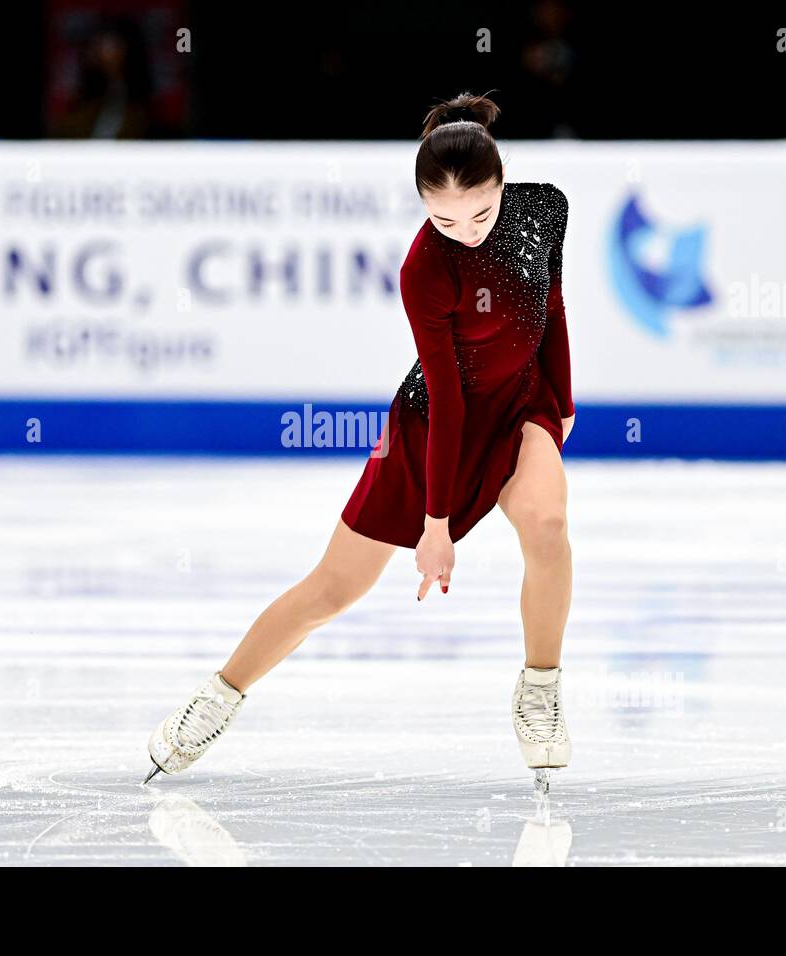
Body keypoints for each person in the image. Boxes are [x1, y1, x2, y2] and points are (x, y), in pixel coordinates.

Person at [144, 92, 577, 792]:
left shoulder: (546, 208)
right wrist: (436, 526)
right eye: (442, 219)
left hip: (520, 407)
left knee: (549, 524)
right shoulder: (424, 270)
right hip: (431, 428)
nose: (465, 232)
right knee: (333, 589)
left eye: (481, 214)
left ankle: (540, 691)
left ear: (503, 188)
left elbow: (551, 306)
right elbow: (444, 394)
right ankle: (217, 698)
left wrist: (560, 404)